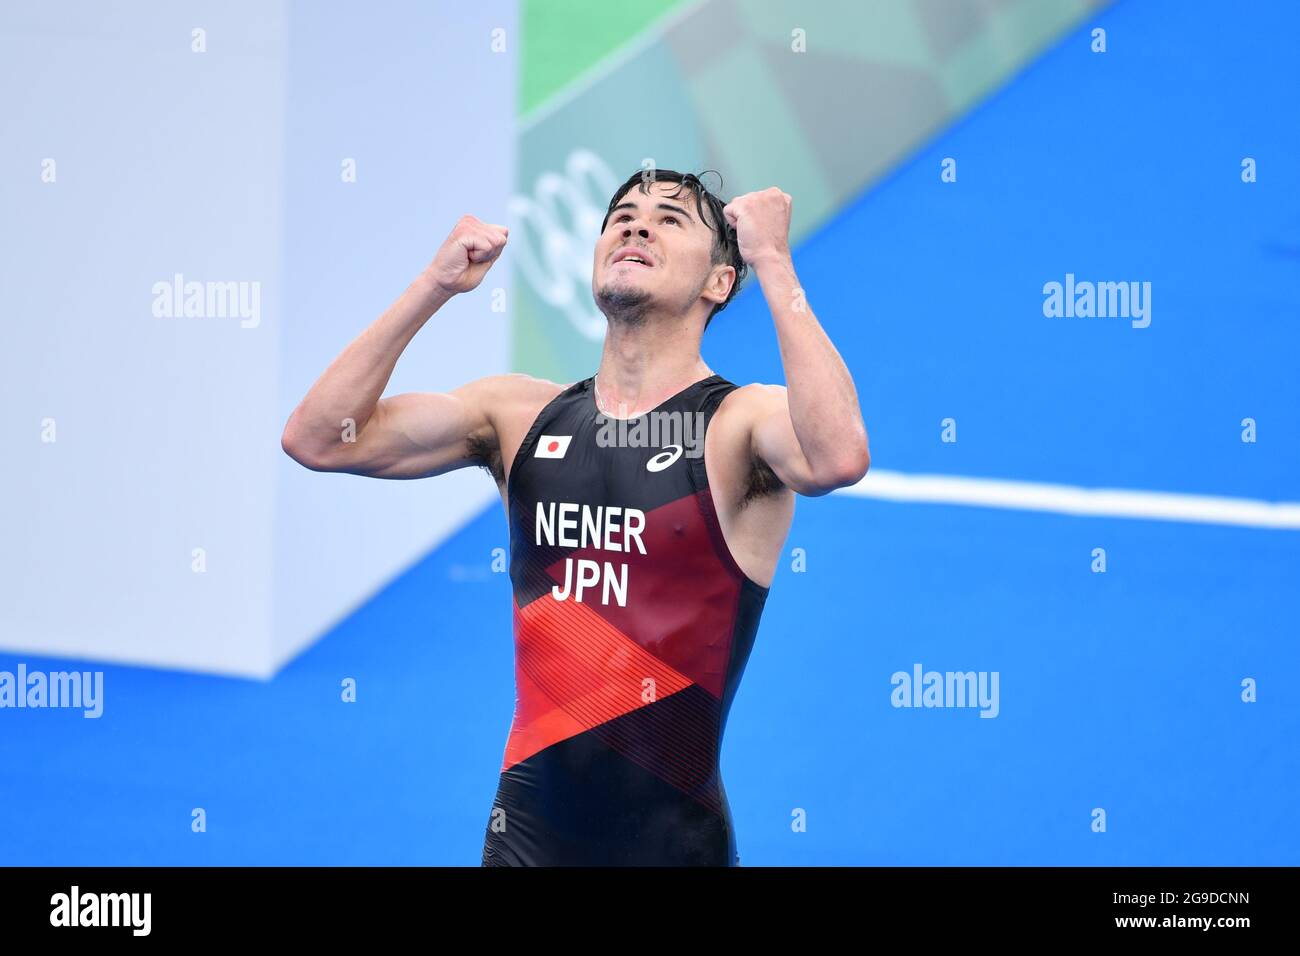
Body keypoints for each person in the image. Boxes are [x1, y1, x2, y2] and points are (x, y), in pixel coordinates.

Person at [281, 169, 870, 865]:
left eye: (670, 218)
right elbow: (317, 438)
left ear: (718, 282)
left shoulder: (737, 425)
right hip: (525, 844)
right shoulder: (518, 415)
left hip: (675, 851)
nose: (635, 225)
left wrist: (772, 260)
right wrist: (432, 287)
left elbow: (836, 457)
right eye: (621, 214)